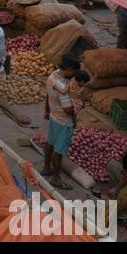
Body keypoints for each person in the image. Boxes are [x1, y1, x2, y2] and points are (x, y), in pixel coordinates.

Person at [40, 56, 82, 189]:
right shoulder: (63, 88)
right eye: (74, 72)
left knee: (50, 142)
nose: (74, 76)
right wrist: (78, 105)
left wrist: (47, 110)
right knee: (58, 150)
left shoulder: (52, 76)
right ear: (69, 69)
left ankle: (47, 167)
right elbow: (68, 110)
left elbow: (48, 94)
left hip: (53, 116)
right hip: (64, 122)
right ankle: (56, 178)